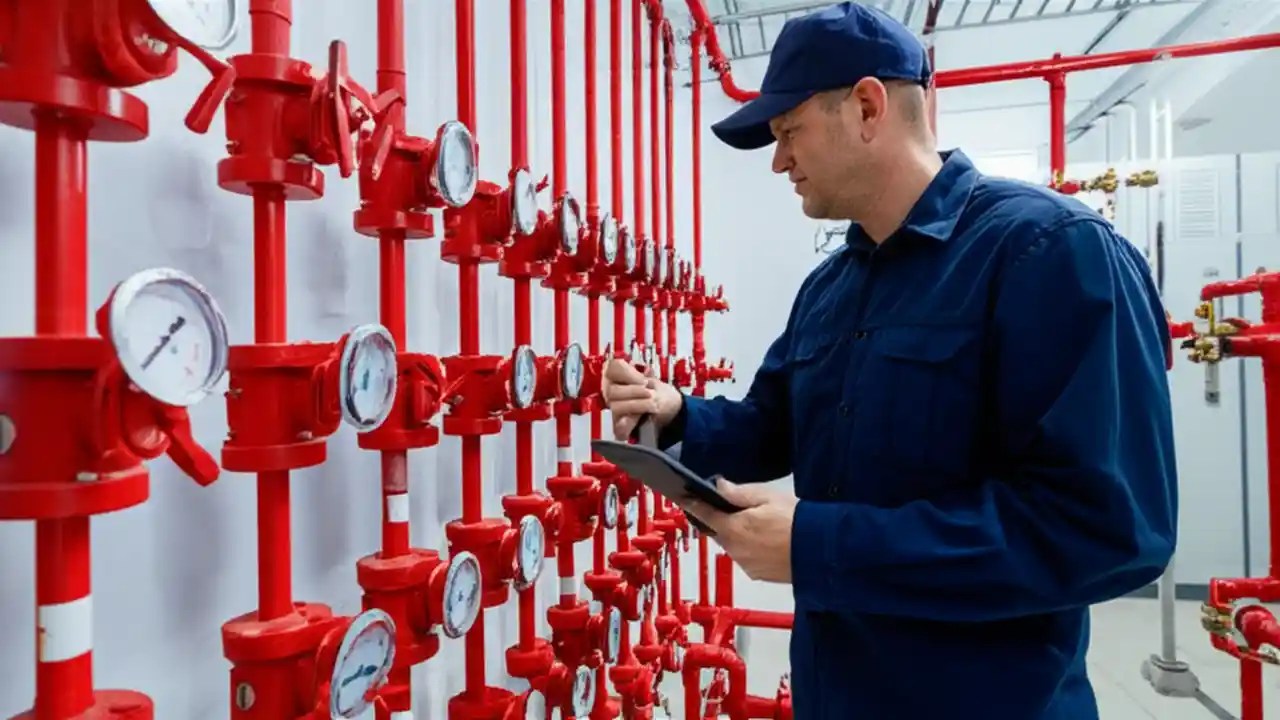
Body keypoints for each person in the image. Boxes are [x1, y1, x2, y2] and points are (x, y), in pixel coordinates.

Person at [600, 3, 1178, 719]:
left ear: (868, 107)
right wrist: (677, 415)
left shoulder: (1050, 252)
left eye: (788, 132)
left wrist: (819, 546)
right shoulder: (831, 287)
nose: (779, 161)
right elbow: (774, 425)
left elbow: (1106, 530)